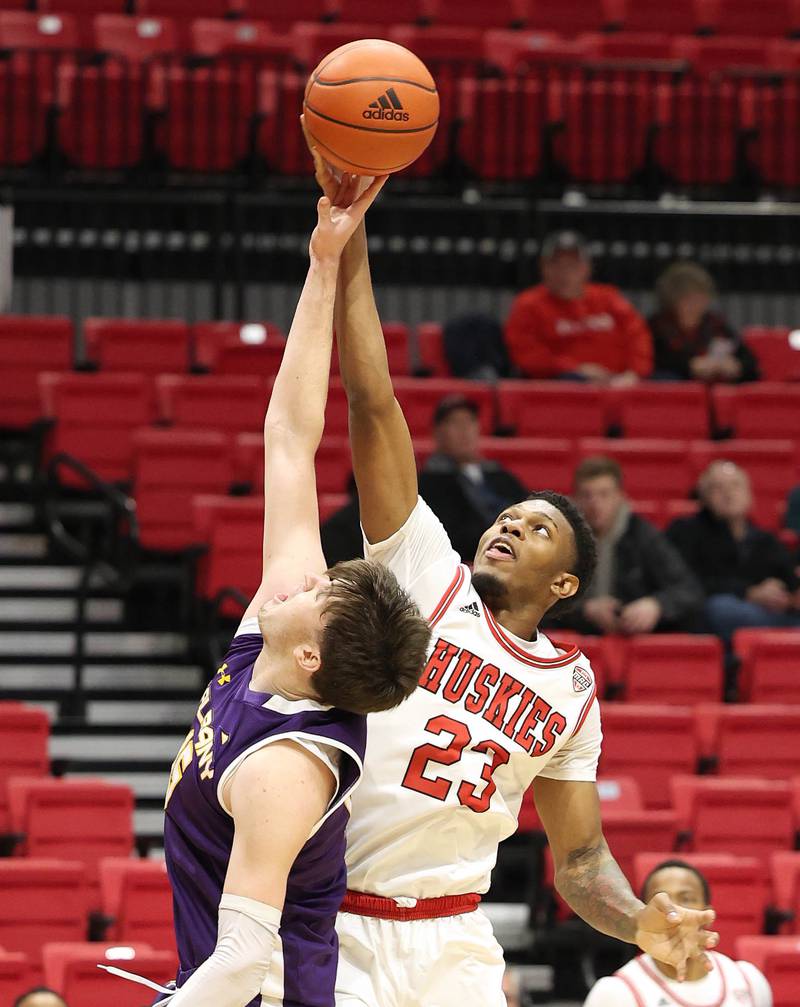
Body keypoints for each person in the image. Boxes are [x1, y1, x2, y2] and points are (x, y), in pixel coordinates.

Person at [306, 147, 718, 1007]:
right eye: (507, 515)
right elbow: (374, 406)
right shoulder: (426, 571)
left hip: (454, 934)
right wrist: (351, 242)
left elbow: (578, 860)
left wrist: (639, 918)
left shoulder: (571, 685)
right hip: (335, 917)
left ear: (564, 584)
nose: (505, 524)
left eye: (535, 529)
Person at [102, 180, 431, 1007]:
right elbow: (288, 436)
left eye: (316, 594)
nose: (304, 579)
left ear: (311, 650)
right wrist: (323, 261)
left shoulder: (286, 769)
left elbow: (246, 959)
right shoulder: (284, 629)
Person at [583, 859, 772, 1006]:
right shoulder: (615, 992)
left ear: (708, 911)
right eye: (661, 902)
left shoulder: (748, 980)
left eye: (687, 898)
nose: (674, 910)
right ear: (645, 913)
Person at [564, 457, 703, 635]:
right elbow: (540, 600)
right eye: (587, 495)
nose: (595, 503)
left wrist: (656, 605)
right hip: (575, 639)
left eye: (604, 494)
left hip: (635, 637)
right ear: (575, 500)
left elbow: (688, 590)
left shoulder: (642, 534)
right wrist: (585, 610)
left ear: (620, 497)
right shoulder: (561, 538)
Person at [668, 461, 800, 643]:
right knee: (721, 608)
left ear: (749, 495)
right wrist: (749, 592)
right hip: (713, 618)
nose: (729, 493)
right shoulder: (685, 530)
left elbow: (788, 576)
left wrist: (790, 597)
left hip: (766, 615)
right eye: (718, 487)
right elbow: (687, 583)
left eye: (735, 486)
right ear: (703, 497)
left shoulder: (765, 539)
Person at [504, 231, 652, 385]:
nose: (565, 273)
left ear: (586, 268)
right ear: (543, 267)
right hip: (562, 389)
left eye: (572, 265)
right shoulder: (528, 304)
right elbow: (527, 354)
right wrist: (576, 369)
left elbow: (638, 336)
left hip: (621, 386)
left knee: (666, 380)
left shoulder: (609, 298)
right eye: (556, 264)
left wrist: (634, 373)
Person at [418, 394, 528, 560]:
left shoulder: (501, 476)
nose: (464, 430)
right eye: (454, 423)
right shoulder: (429, 484)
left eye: (470, 421)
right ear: (437, 433)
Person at [648, 262, 759, 383]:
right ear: (672, 300)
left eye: (701, 298)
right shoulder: (657, 327)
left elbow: (749, 361)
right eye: (688, 299)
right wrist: (690, 365)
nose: (696, 305)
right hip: (678, 391)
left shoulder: (716, 325)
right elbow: (654, 361)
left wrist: (736, 365)